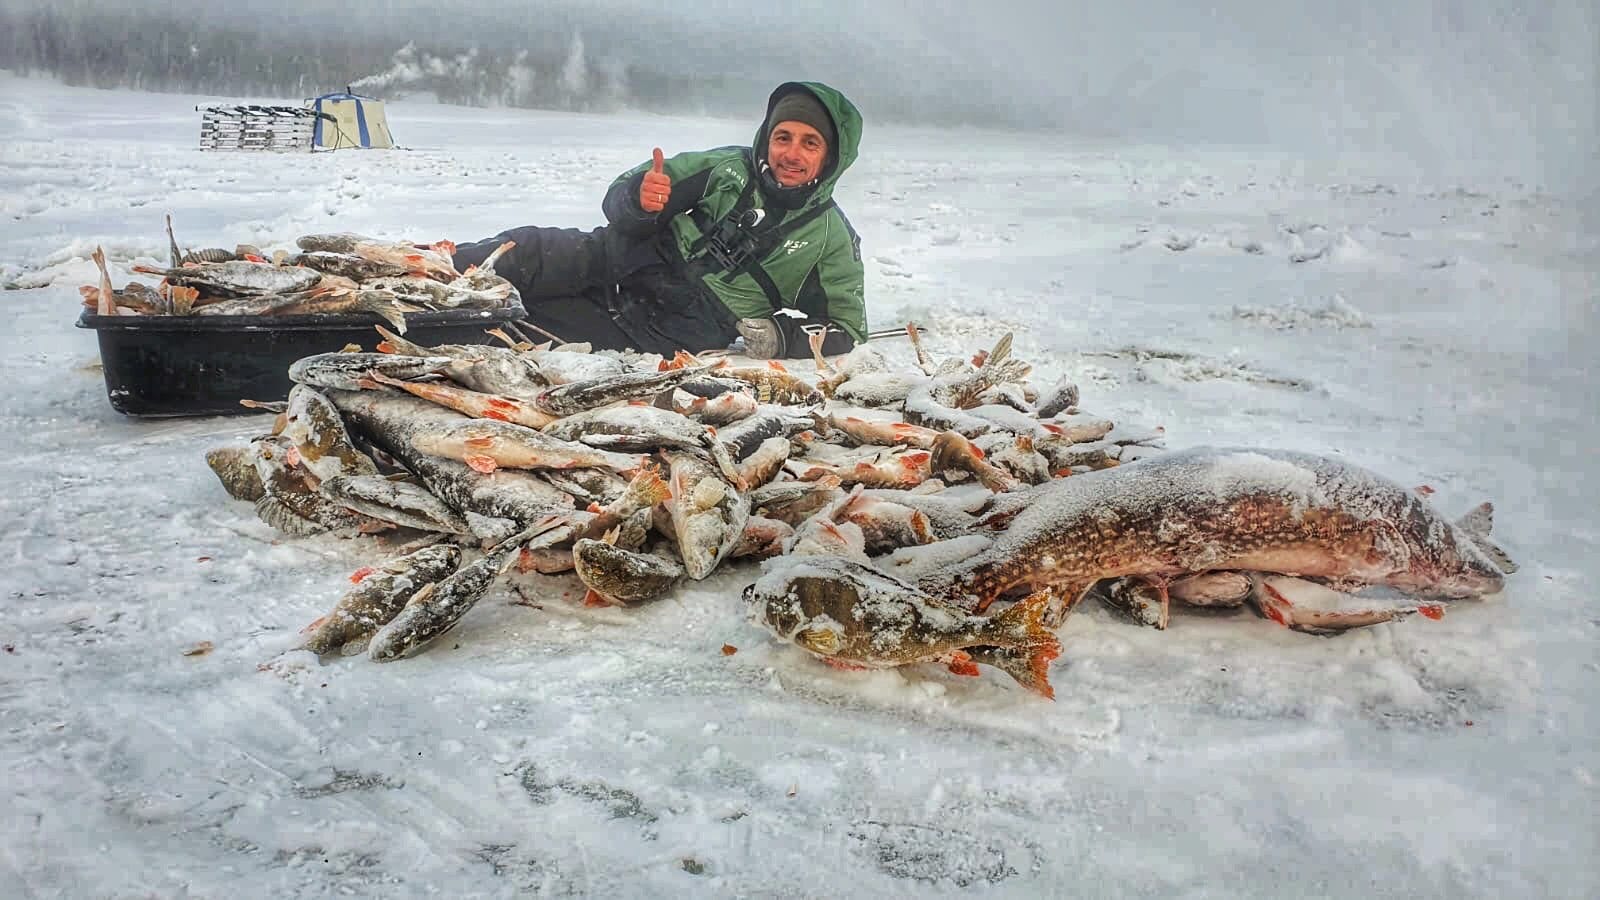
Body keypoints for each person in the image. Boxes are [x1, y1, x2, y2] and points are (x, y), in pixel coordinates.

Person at [451, 82, 866, 359]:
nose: (791, 154)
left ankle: (412, 334)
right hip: (624, 256)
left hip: (672, 326)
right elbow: (625, 191)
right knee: (523, 250)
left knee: (529, 331)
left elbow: (847, 327)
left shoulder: (830, 237)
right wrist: (639, 200)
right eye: (783, 138)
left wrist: (782, 337)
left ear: (830, 157)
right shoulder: (728, 168)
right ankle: (409, 271)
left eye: (810, 143)